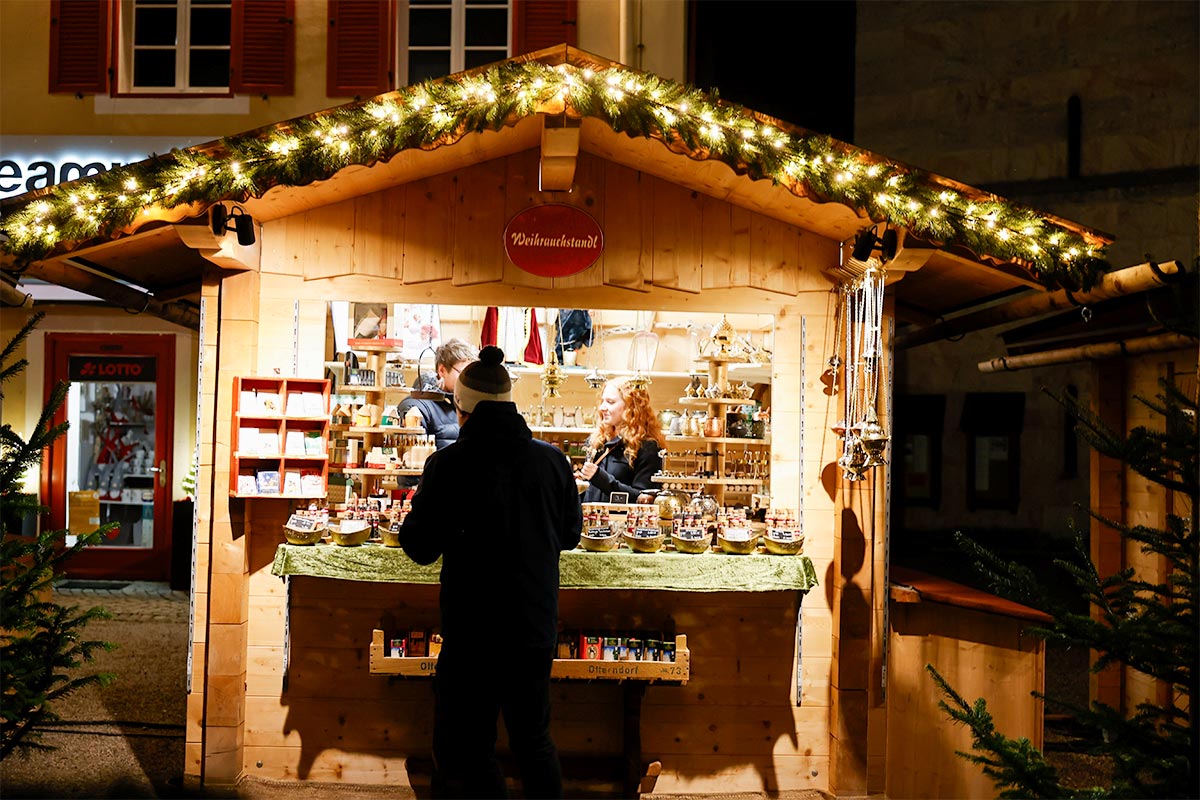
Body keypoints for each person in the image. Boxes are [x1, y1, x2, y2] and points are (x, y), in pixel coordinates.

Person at [399, 345, 583, 799]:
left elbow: (419, 547)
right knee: (534, 741)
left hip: (471, 631)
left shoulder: (448, 465)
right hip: (533, 625)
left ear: (461, 406)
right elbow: (570, 535)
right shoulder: (552, 461)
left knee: (470, 747)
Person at [578, 377, 666, 504]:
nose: (602, 407)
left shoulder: (648, 447)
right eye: (602, 401)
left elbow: (643, 499)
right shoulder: (599, 441)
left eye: (610, 402)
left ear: (631, 406)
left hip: (622, 523)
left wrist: (599, 477)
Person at [395, 338, 476, 450]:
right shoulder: (415, 408)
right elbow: (414, 459)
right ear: (442, 370)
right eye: (463, 373)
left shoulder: (467, 405)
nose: (468, 380)